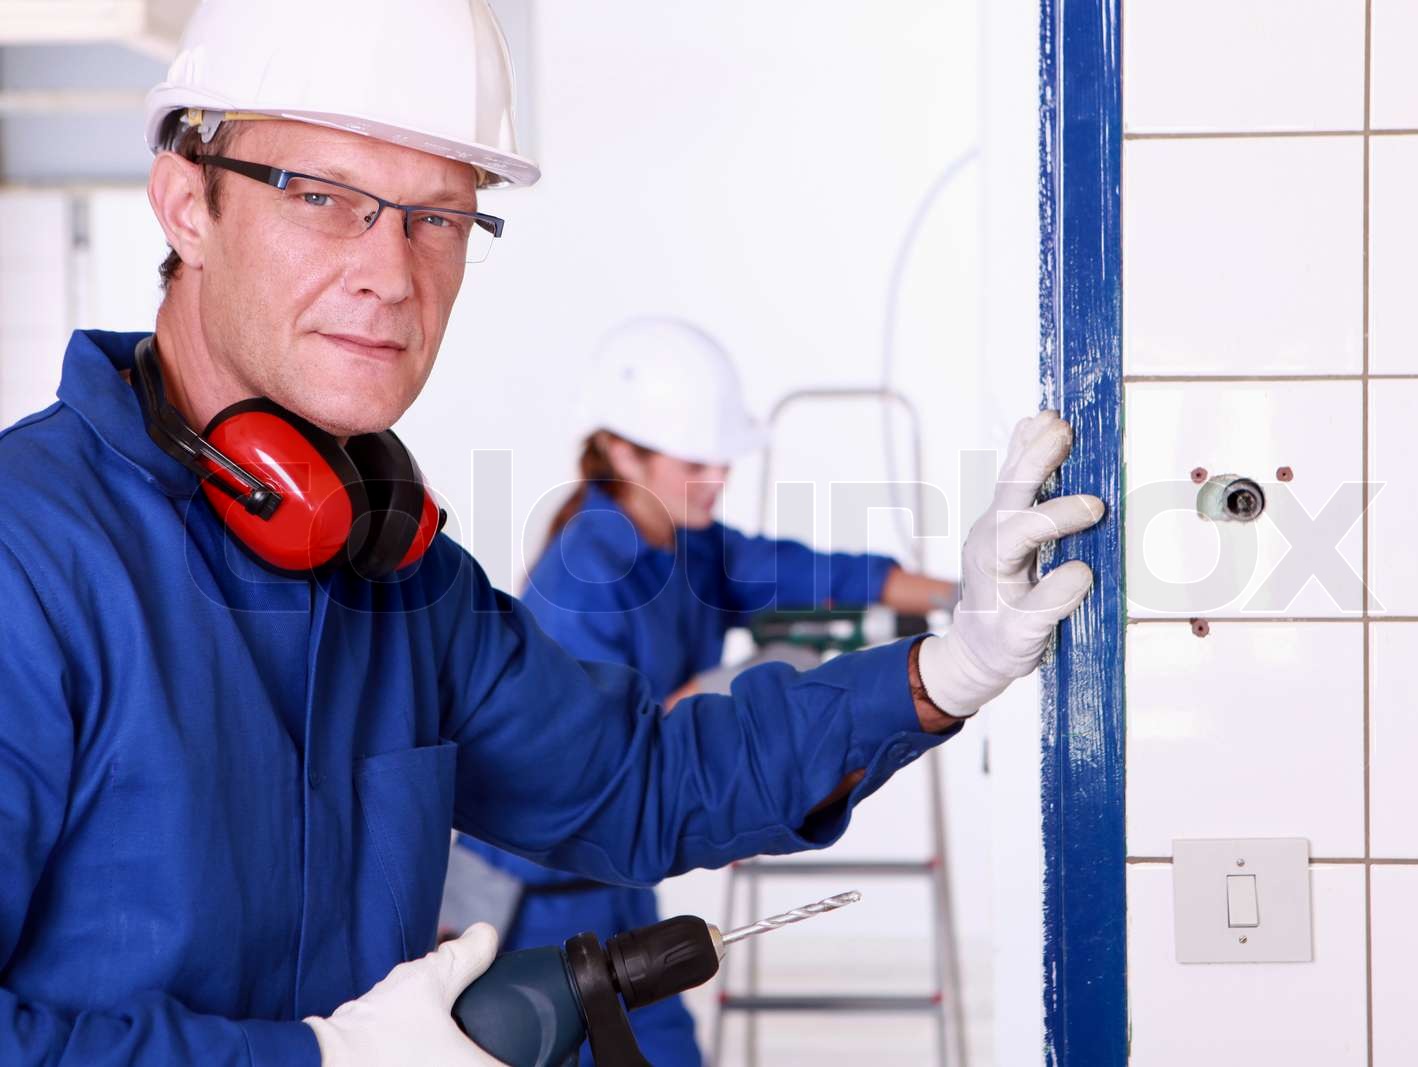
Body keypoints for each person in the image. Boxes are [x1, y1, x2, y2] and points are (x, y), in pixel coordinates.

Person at [0, 1, 1104, 1065]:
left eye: (436, 216)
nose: (391, 275)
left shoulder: (399, 577)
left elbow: (636, 786)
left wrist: (948, 668)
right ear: (185, 201)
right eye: (323, 196)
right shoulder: (27, 557)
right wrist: (316, 1058)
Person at [454, 316, 957, 1066]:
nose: (718, 479)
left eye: (724, 460)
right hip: (534, 902)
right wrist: (727, 699)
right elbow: (604, 758)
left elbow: (814, 571)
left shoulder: (691, 542)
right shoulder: (586, 573)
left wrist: (968, 595)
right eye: (697, 460)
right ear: (622, 450)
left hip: (619, 882)